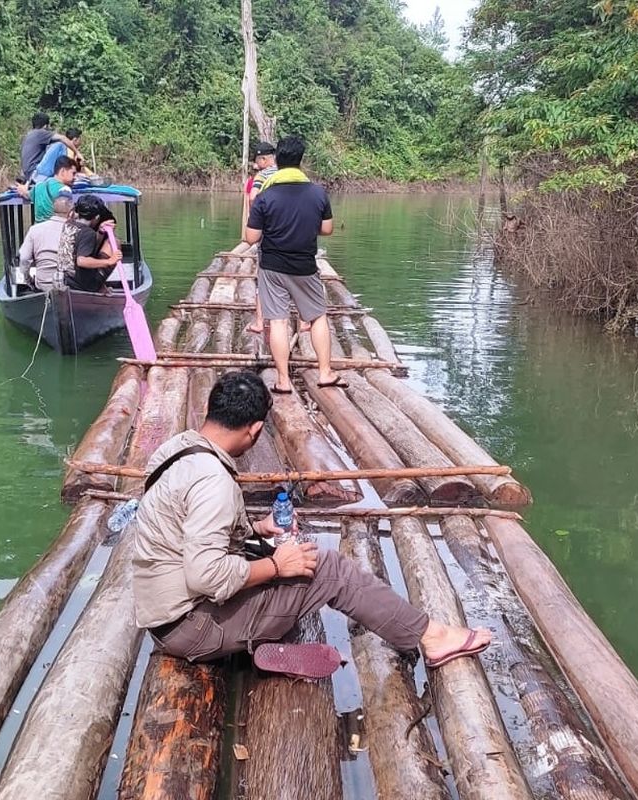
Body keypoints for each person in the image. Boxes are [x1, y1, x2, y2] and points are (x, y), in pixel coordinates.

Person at [132, 371, 492, 667]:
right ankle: (432, 636)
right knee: (330, 570)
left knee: (283, 556)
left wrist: (257, 529)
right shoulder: (214, 481)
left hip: (166, 616)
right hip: (191, 628)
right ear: (255, 430)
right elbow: (206, 576)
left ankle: (263, 635)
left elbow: (183, 527)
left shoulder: (179, 448)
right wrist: (277, 566)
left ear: (211, 410)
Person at [243, 136, 343, 393]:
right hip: (304, 266)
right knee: (317, 317)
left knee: (278, 321)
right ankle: (324, 372)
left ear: (277, 160)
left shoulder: (265, 196)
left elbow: (250, 237)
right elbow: (327, 229)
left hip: (272, 267)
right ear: (301, 160)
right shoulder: (318, 193)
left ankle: (283, 380)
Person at [242, 141, 278, 334]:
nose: (257, 164)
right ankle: (304, 322)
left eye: (258, 160)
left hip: (268, 232)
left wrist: (255, 220)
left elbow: (252, 197)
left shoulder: (262, 175)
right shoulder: (285, 173)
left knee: (263, 277)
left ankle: (259, 322)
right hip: (290, 232)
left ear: (264, 159)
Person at [59, 195, 122, 293]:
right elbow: (81, 261)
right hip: (83, 284)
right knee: (114, 242)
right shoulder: (88, 233)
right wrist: (109, 261)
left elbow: (86, 246)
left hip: (65, 279)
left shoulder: (68, 224)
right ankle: (99, 287)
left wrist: (100, 232)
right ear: (97, 217)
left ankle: (100, 286)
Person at [18, 195, 73, 290]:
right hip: (68, 286)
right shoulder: (75, 231)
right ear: (71, 213)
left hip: (43, 284)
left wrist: (27, 279)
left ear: (53, 211)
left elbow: (24, 258)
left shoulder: (35, 229)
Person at [19, 113, 78, 182]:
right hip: (36, 173)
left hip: (27, 173)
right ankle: (64, 174)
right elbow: (63, 138)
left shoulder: (29, 135)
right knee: (61, 145)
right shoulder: (40, 133)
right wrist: (77, 153)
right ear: (45, 126)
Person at [17, 156, 76, 222]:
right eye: (73, 173)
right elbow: (69, 215)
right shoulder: (64, 189)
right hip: (55, 226)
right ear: (63, 171)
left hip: (38, 227)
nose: (75, 177)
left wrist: (21, 188)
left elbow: (27, 194)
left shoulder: (38, 186)